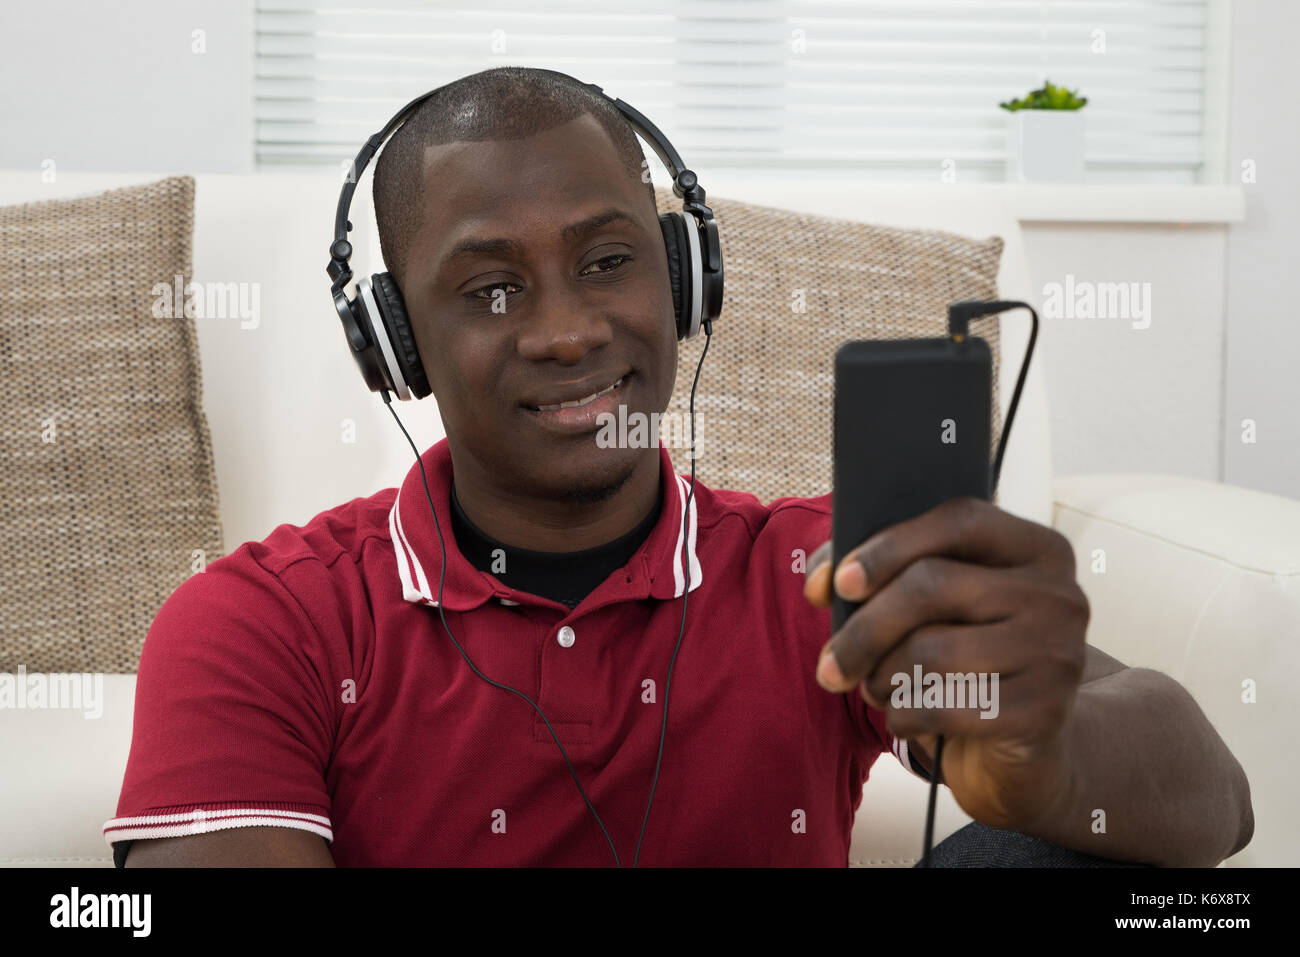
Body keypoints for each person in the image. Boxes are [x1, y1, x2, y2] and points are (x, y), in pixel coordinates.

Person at [105, 67, 1253, 868]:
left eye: (607, 261)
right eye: (491, 288)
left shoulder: (822, 570)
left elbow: (1220, 808)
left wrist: (1041, 754)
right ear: (397, 346)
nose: (565, 332)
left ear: (682, 281)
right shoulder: (262, 620)